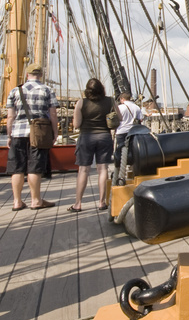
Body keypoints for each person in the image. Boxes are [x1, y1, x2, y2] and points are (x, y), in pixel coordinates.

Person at [6, 62, 59, 210]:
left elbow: (10, 117)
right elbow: (53, 114)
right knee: (35, 167)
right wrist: (54, 133)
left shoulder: (15, 91)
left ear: (27, 75)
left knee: (17, 168)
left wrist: (9, 135)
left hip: (18, 133)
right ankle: (35, 200)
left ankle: (17, 201)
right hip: (39, 133)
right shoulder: (47, 90)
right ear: (41, 75)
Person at [68, 78, 120, 212]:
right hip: (104, 136)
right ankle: (102, 202)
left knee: (83, 170)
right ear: (102, 89)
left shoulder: (81, 103)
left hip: (86, 137)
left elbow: (76, 124)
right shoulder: (110, 101)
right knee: (103, 169)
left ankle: (78, 204)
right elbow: (119, 117)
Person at [114, 91, 143, 162]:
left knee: (121, 150)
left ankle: (121, 166)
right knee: (132, 150)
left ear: (122, 99)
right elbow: (141, 119)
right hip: (132, 131)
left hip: (121, 131)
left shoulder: (120, 107)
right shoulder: (136, 107)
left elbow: (115, 119)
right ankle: (131, 165)